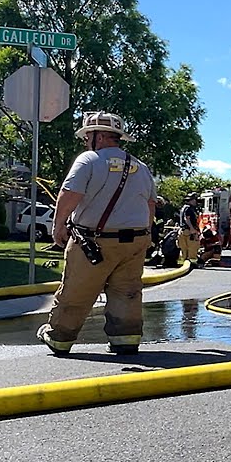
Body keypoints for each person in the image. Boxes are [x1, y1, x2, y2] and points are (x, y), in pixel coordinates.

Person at [37, 111, 156, 356]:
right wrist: (147, 235)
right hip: (135, 241)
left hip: (95, 241)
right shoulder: (141, 167)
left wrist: (58, 226)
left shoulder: (89, 160)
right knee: (127, 291)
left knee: (77, 289)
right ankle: (126, 338)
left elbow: (69, 194)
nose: (85, 141)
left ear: (99, 137)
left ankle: (60, 337)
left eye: (86, 136)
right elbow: (150, 204)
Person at [178, 193, 201, 265]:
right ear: (192, 200)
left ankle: (184, 263)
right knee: (193, 248)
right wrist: (192, 229)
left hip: (183, 231)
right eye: (195, 200)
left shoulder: (184, 208)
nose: (196, 202)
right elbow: (187, 219)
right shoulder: (189, 208)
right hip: (189, 231)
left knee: (184, 249)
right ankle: (192, 263)